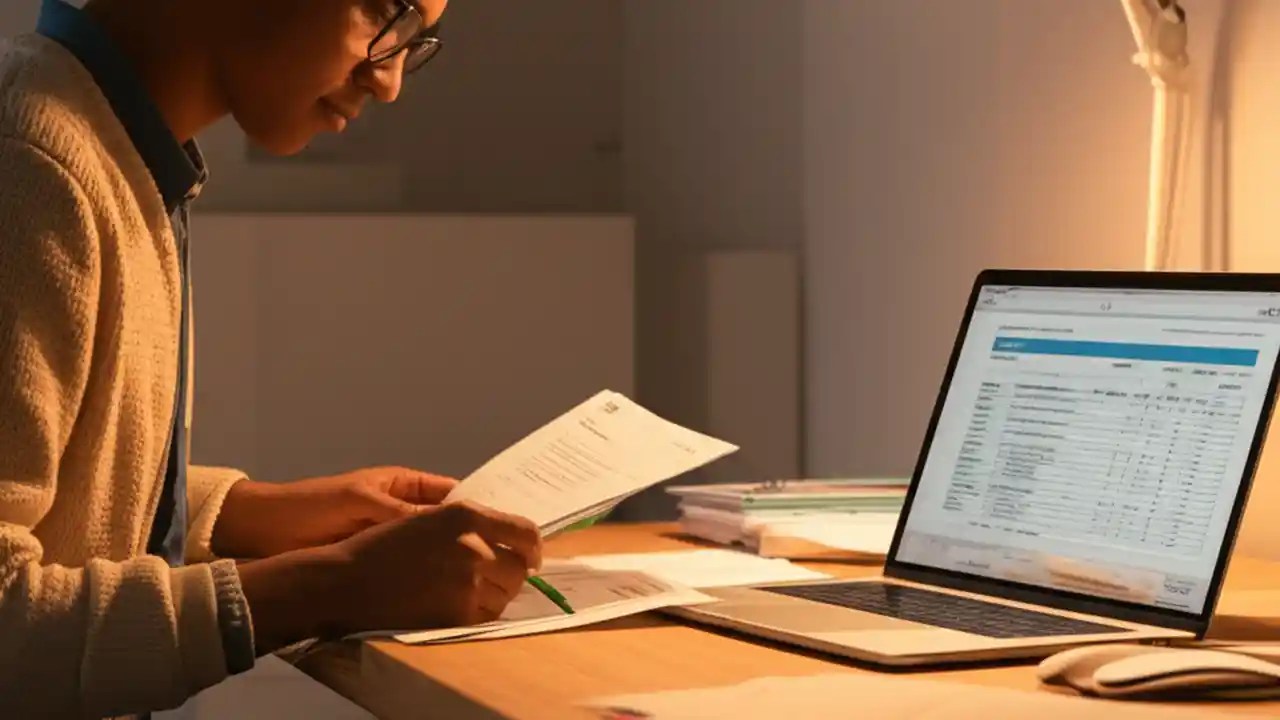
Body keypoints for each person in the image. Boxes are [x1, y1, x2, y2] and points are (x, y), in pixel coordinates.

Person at [0, 0, 544, 716]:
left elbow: (63, 490)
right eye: (385, 11)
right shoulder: (36, 168)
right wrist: (333, 584)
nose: (389, 82)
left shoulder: (114, 148)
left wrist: (256, 514)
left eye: (417, 39)